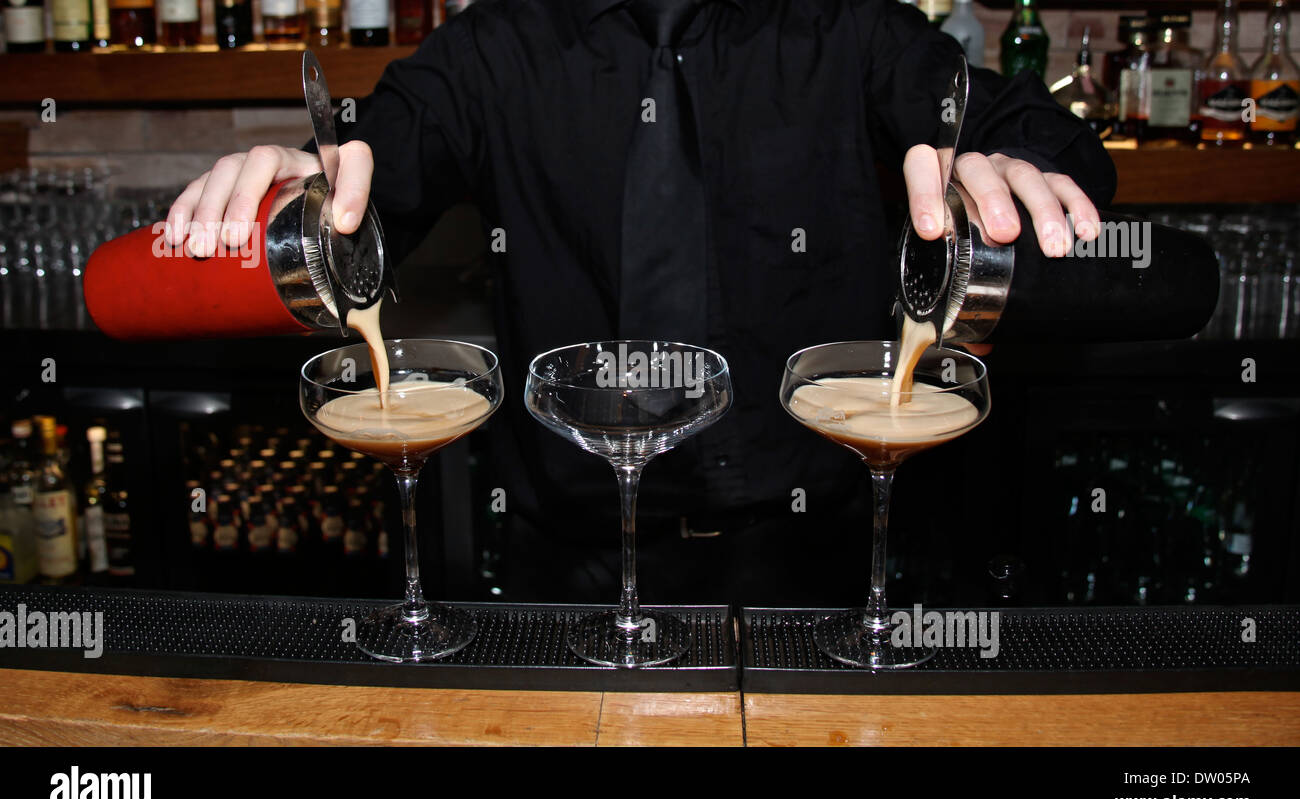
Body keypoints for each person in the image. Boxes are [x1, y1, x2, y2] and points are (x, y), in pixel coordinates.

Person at [166, 0, 1115, 606]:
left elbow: (1037, 130)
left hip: (808, 558)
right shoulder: (491, 46)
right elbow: (371, 168)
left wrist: (1015, 168)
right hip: (567, 561)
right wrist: (301, 182)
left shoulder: (844, 28)